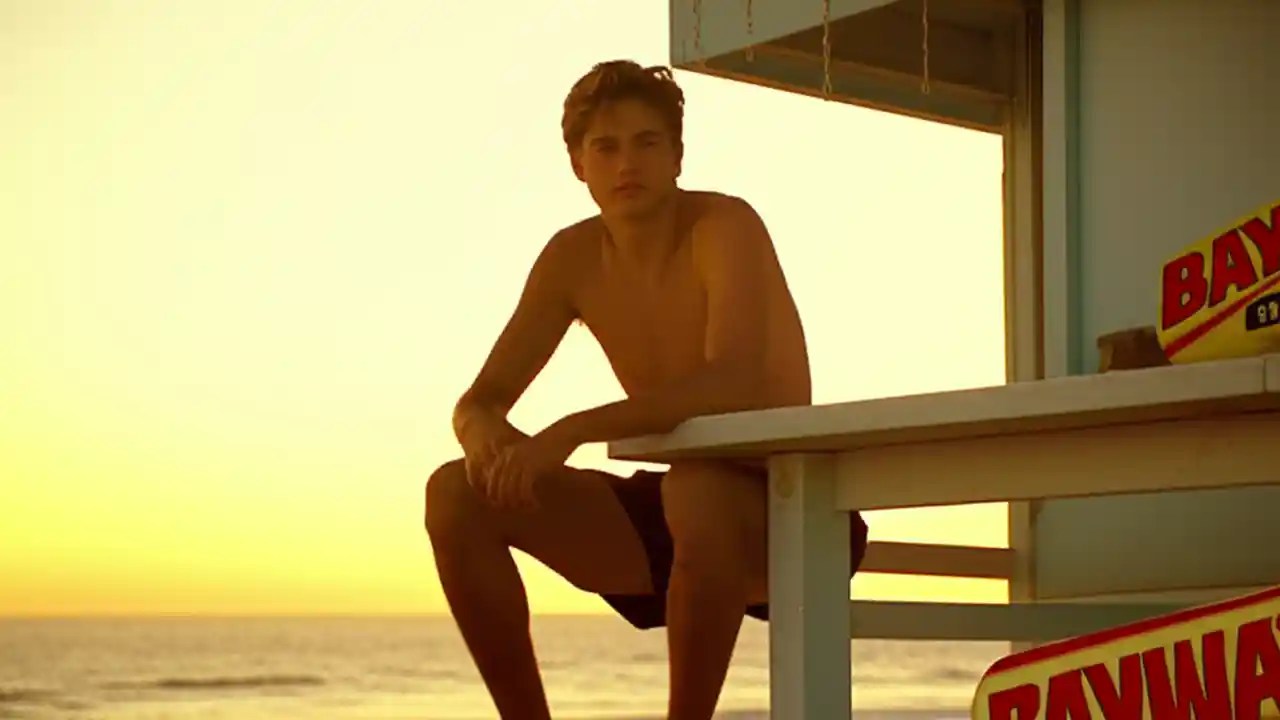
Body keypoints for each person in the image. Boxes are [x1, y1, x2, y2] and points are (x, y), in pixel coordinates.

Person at [424, 59, 869, 720]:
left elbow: (736, 380)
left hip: (790, 508)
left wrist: (571, 430)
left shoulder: (723, 226)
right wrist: (485, 438)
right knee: (454, 492)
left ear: (677, 156)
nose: (625, 163)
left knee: (694, 487)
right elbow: (478, 401)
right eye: (605, 147)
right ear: (578, 163)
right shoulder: (571, 258)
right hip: (672, 519)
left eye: (646, 142)